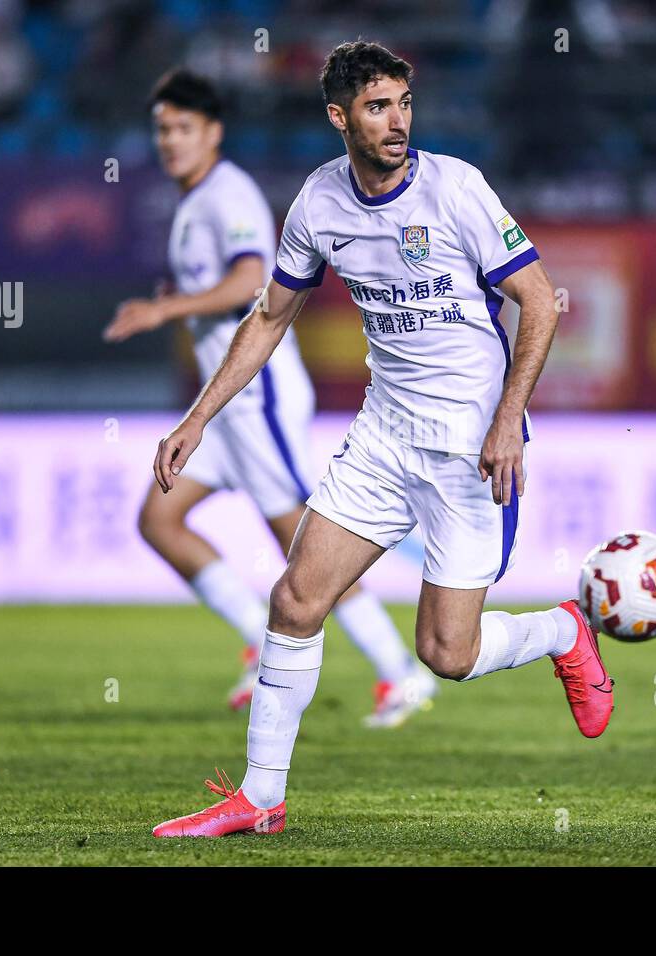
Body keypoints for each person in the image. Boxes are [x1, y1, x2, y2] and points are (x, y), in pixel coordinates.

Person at [149, 43, 614, 839]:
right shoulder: (319, 202)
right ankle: (261, 799)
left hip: (470, 447)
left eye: (404, 103)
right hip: (384, 438)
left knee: (447, 654)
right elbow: (269, 317)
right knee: (295, 599)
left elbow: (539, 301)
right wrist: (199, 417)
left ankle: (564, 631)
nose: (398, 121)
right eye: (377, 107)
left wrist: (509, 420)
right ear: (340, 117)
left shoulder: (455, 188)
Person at [106, 68, 434, 727]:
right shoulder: (194, 200)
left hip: (259, 397)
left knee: (305, 546)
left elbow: (251, 282)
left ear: (213, 132)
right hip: (226, 408)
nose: (170, 141)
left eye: (183, 128)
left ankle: (400, 670)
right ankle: (260, 638)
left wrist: (165, 309)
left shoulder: (226, 195)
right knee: (159, 520)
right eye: (163, 130)